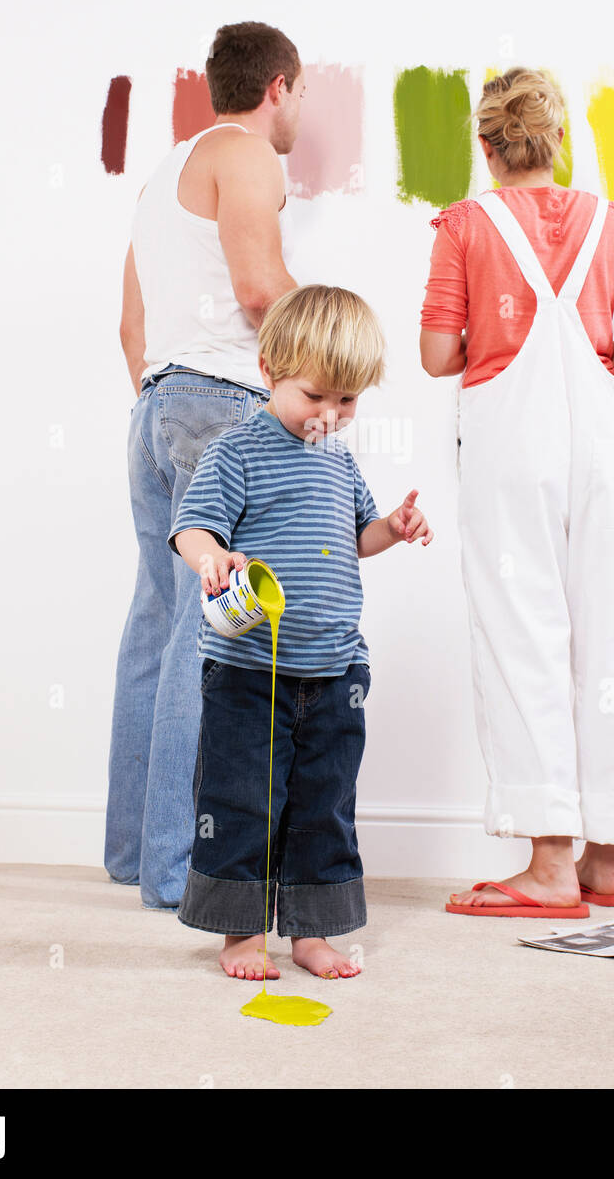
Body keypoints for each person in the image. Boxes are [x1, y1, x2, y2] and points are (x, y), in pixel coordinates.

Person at [419, 68, 614, 916]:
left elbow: (437, 355)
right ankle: (607, 858)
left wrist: (504, 340)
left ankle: (550, 865)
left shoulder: (465, 225)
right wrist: (592, 354)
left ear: (486, 145)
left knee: (523, 630)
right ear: (558, 141)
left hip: (512, 448)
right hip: (607, 453)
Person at [170, 285, 434, 979]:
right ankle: (240, 934)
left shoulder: (339, 460)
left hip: (336, 669)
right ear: (269, 371)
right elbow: (192, 527)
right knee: (242, 802)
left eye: (347, 401)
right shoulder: (237, 451)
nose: (329, 415)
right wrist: (212, 557)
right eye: (314, 396)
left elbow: (358, 536)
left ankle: (313, 934)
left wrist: (393, 528)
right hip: (250, 671)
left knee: (325, 805)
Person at [106, 21, 304, 908]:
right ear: (278, 86)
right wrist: (335, 343)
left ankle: (131, 852)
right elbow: (261, 291)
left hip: (156, 407)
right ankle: (177, 869)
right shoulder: (248, 154)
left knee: (157, 626)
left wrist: (168, 406)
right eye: (300, 94)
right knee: (209, 632)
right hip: (223, 405)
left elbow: (131, 327)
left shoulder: (162, 178)